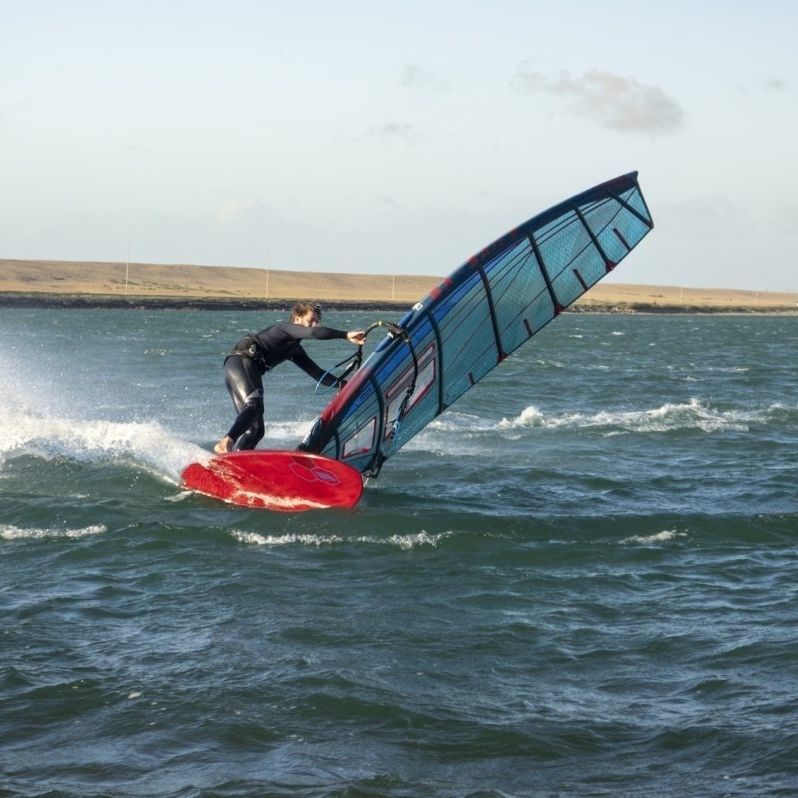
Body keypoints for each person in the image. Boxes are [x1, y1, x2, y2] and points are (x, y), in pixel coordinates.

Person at [214, 302, 365, 454]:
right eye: (311, 320)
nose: (315, 324)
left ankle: (236, 459)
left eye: (317, 321)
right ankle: (226, 442)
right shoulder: (283, 329)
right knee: (255, 405)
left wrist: (343, 384)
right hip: (241, 362)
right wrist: (345, 335)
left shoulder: (294, 349)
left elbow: (317, 373)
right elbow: (314, 333)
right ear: (297, 318)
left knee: (256, 430)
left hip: (243, 369)